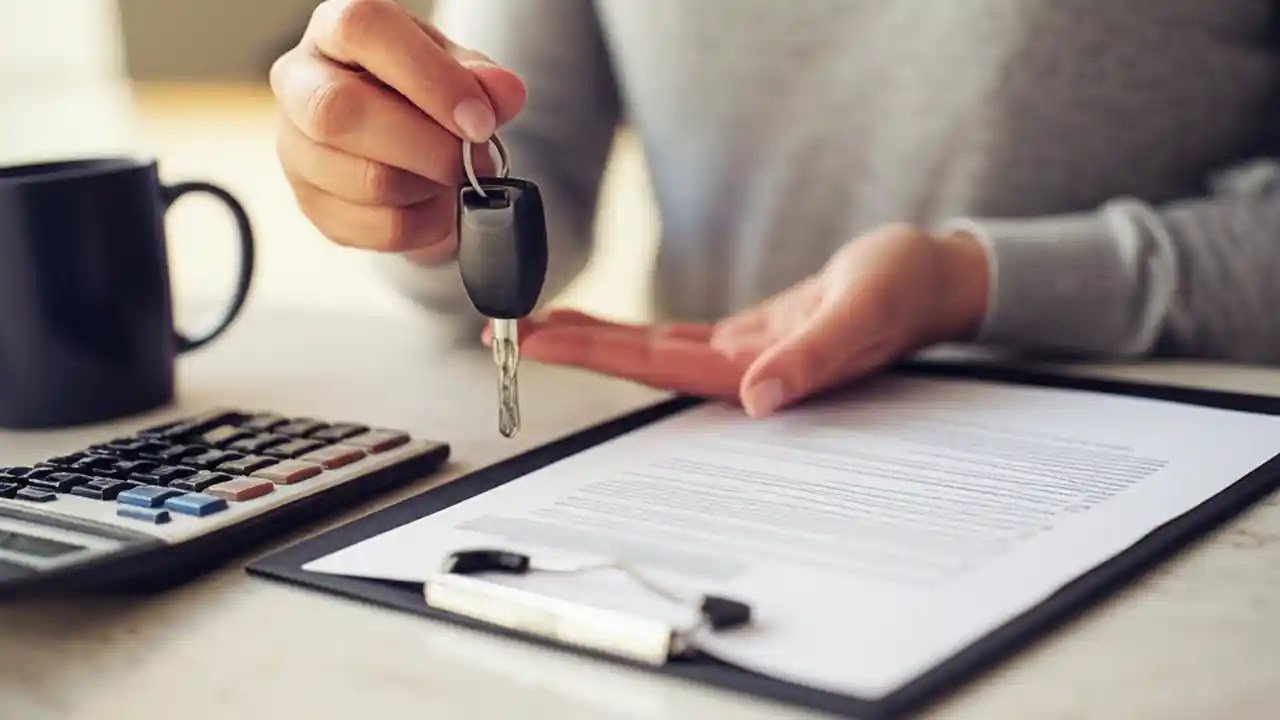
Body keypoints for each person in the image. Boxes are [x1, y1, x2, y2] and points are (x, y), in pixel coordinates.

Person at [270, 0, 1280, 418]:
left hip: (1166, 484)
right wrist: (398, 179)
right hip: (721, 460)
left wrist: (973, 283)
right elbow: (507, 161)